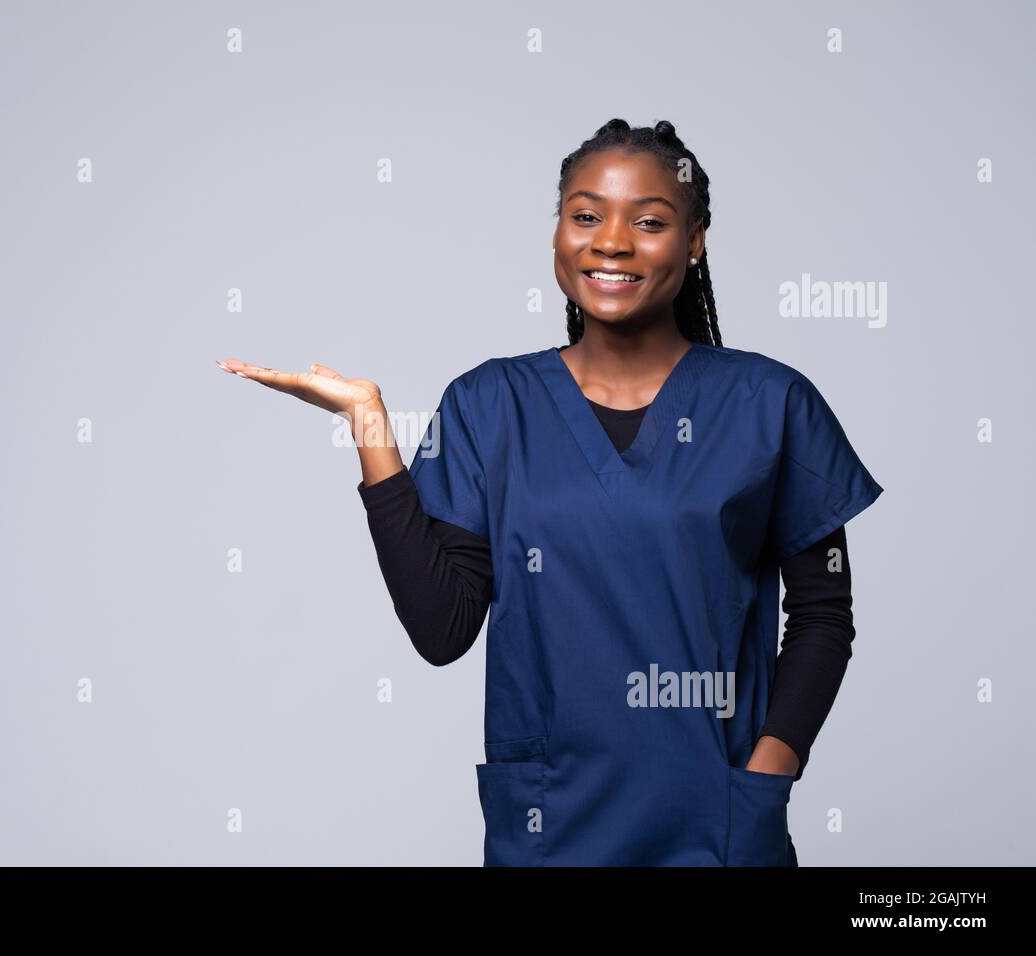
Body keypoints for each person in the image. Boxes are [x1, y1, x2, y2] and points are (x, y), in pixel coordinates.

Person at [216, 118, 883, 867]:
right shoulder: (489, 405)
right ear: (560, 232)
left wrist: (768, 772)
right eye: (587, 215)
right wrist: (371, 427)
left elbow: (824, 615)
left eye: (651, 221)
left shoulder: (771, 404)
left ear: (695, 241)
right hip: (549, 826)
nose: (612, 241)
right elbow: (443, 631)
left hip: (718, 825)